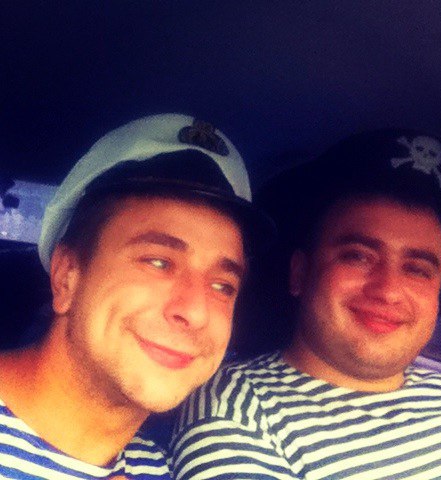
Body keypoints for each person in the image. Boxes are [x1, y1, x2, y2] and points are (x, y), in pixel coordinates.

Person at [171, 129, 441, 479]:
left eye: (417, 270)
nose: (389, 290)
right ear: (300, 273)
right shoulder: (236, 409)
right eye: (358, 256)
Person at [0, 113, 272, 478]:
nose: (195, 311)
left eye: (223, 286)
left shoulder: (159, 467)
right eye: (158, 262)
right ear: (66, 277)